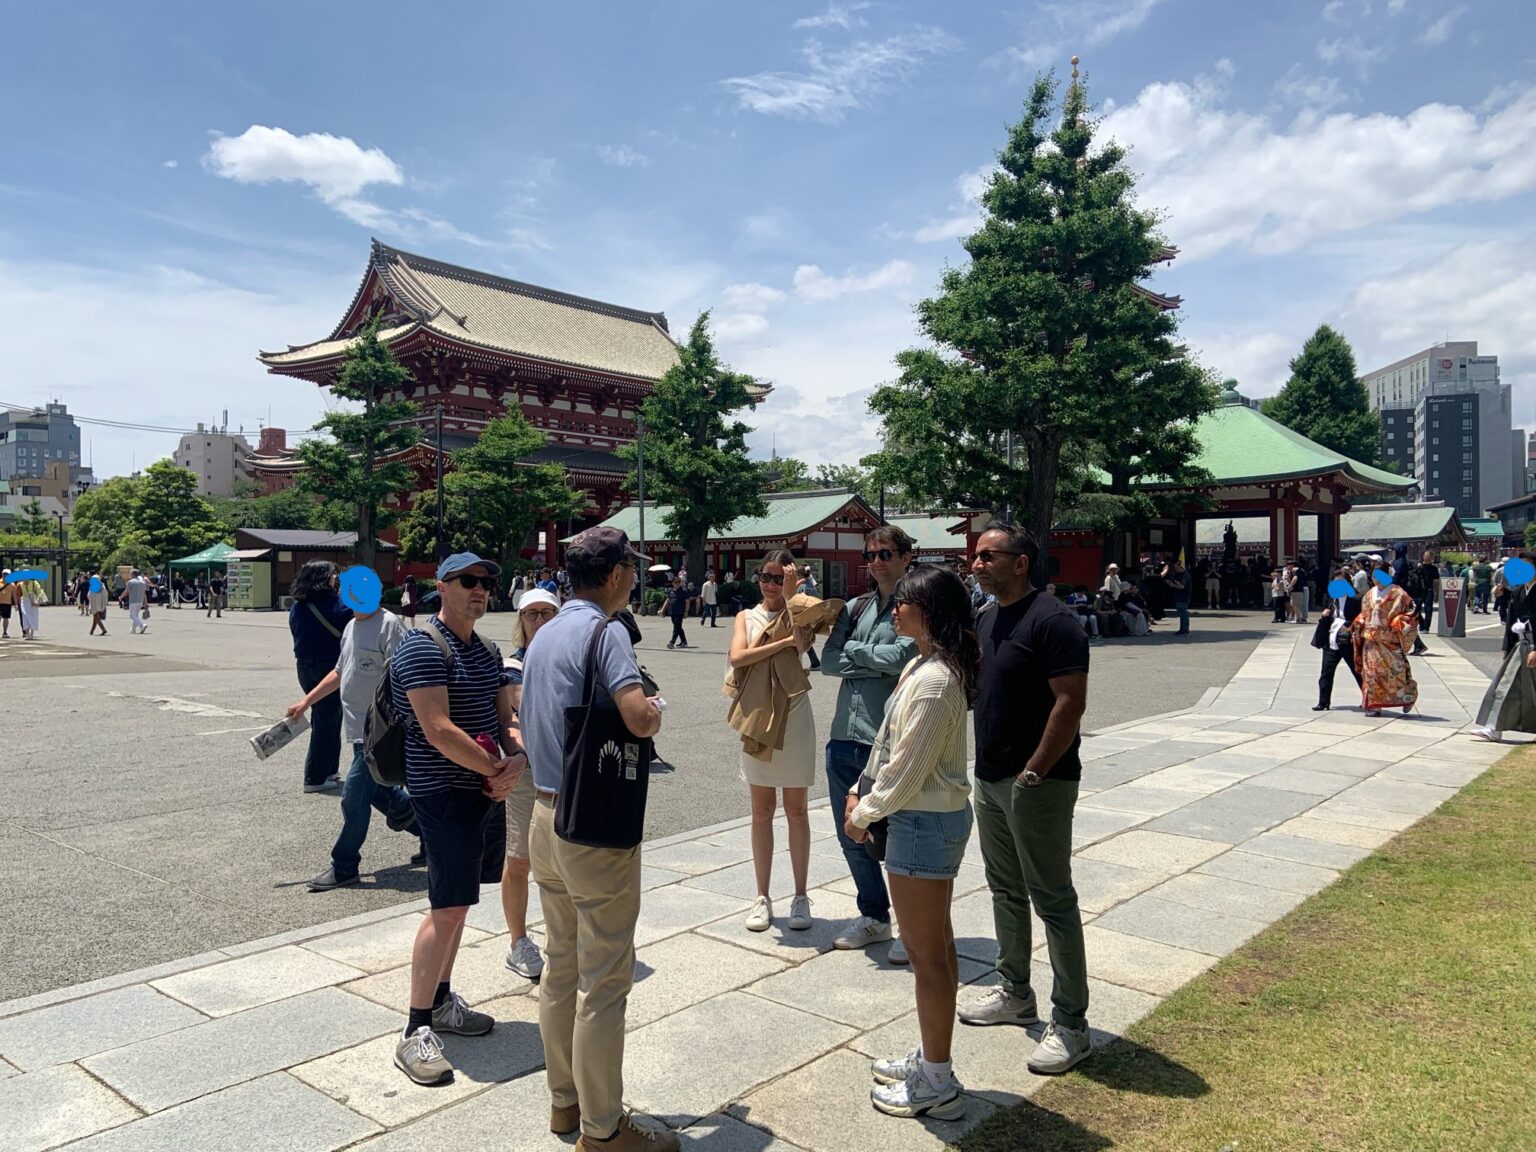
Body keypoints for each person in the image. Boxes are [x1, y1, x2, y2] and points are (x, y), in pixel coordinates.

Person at [521, 526, 676, 1152]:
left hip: (544, 812)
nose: (635, 579)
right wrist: (657, 708)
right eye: (631, 570)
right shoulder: (605, 631)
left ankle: (566, 1102)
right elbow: (637, 716)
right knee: (605, 977)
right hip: (593, 825)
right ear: (614, 574)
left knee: (560, 964)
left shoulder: (545, 630)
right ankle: (603, 1129)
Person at [960, 522, 1093, 1076]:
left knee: (1052, 897)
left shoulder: (1054, 621)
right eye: (974, 556)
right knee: (1004, 889)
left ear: (1021, 562)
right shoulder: (988, 618)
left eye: (988, 555)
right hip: (990, 778)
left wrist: (1035, 772)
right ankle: (1015, 990)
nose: (976, 563)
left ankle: (1071, 1023)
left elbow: (1070, 702)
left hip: (1037, 782)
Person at [845, 565, 977, 1120]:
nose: (893, 609)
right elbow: (886, 744)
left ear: (931, 611)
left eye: (905, 602)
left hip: (924, 820)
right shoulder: (923, 665)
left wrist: (866, 811)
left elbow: (911, 765)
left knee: (926, 957)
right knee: (936, 948)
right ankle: (932, 1059)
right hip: (920, 817)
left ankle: (937, 1080)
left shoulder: (935, 679)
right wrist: (859, 788)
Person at [390, 552, 524, 1087]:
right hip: (443, 792)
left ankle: (443, 1002)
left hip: (485, 790)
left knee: (462, 903)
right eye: (468, 581)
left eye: (486, 582)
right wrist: (496, 768)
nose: (480, 589)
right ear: (441, 587)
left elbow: (505, 717)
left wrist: (514, 758)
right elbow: (436, 728)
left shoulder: (488, 651)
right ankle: (414, 1029)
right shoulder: (421, 647)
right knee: (445, 908)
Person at [821, 525, 918, 957]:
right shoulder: (856, 606)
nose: (876, 562)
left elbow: (904, 656)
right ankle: (875, 916)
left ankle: (915, 927)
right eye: (871, 554)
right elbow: (826, 661)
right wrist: (874, 660)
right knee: (850, 832)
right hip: (845, 734)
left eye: (885, 553)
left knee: (898, 832)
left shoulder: (916, 603)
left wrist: (855, 654)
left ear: (905, 557)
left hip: (889, 737)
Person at [285, 596, 420, 891]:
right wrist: (306, 702)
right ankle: (431, 835)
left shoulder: (389, 625)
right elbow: (339, 672)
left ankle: (345, 865)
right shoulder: (350, 627)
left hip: (381, 731)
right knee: (382, 795)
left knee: (353, 797)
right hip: (358, 730)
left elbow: (407, 674)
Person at [729, 549, 818, 934]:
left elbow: (800, 642)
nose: (769, 584)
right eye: (765, 577)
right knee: (761, 810)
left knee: (796, 809)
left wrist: (795, 595)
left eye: (778, 578)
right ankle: (762, 895)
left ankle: (800, 894)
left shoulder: (801, 611)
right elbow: (738, 657)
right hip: (758, 713)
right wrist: (777, 646)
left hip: (794, 711)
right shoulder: (745, 616)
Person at [499, 589, 559, 981]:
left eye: (547, 613)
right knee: (520, 858)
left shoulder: (568, 658)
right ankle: (518, 940)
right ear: (520, 621)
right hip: (527, 771)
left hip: (565, 770)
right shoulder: (511, 664)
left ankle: (563, 935)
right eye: (532, 615)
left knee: (563, 859)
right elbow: (517, 708)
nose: (539, 621)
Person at [288, 561, 353, 794]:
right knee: (327, 719)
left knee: (327, 716)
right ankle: (314, 776)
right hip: (329, 667)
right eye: (334, 575)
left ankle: (329, 769)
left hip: (304, 667)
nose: (336, 578)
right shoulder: (338, 606)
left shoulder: (297, 607)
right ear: (325, 579)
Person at [1474, 553, 1536, 742]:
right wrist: (1507, 646)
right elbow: (1511, 619)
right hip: (1521, 644)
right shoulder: (1518, 591)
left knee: (1533, 691)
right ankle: (1495, 727)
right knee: (1505, 685)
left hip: (1534, 645)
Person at [1353, 558, 1419, 717]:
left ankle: (1408, 696)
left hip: (1390, 640)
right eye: (1374, 576)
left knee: (1396, 673)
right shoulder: (1370, 593)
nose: (1376, 579)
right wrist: (1359, 621)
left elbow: (1411, 614)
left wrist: (1400, 622)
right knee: (1371, 673)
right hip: (1371, 639)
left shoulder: (1399, 593)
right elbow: (1365, 613)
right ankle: (1373, 704)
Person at [1313, 568, 1363, 711]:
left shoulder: (1357, 599)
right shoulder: (1332, 598)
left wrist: (1350, 626)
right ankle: (1323, 702)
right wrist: (1325, 614)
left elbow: (1362, 619)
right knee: (1326, 672)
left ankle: (1369, 699)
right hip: (1332, 640)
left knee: (1358, 671)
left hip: (1349, 641)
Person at [1408, 549, 1439, 656]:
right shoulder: (1419, 567)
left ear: (1432, 558)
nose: (1427, 558)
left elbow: (1436, 581)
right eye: (1425, 556)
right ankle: (1421, 624)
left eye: (1429, 557)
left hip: (1429, 590)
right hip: (1419, 591)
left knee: (1428, 609)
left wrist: (1436, 593)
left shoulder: (1434, 569)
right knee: (1417, 609)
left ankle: (1426, 627)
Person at [1164, 561, 1190, 635]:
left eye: (1176, 567)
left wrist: (1173, 585)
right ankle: (1182, 629)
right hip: (1178, 596)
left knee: (1183, 613)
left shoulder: (1185, 575)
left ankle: (1185, 630)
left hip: (1183, 597)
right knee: (1181, 613)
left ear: (1180, 567)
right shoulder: (1178, 575)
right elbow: (1176, 582)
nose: (1175, 569)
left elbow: (1182, 586)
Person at [664, 575, 689, 649]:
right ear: (673, 583)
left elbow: (687, 601)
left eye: (679, 582)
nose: (677, 583)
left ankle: (672, 642)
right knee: (678, 627)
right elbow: (668, 600)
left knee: (676, 628)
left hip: (680, 612)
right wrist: (663, 610)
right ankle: (684, 641)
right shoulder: (671, 591)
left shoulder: (683, 591)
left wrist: (686, 611)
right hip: (672, 612)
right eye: (676, 582)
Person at [124, 569, 150, 635]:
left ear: (133, 574)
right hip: (140, 601)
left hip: (133, 601)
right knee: (136, 615)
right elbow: (144, 593)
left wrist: (120, 597)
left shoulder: (131, 582)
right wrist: (145, 602)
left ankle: (142, 625)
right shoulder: (142, 582)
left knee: (132, 615)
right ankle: (133, 630)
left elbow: (126, 591)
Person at [0, 570, 14, 639]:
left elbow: (14, 594)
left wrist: (17, 604)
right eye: (4, 574)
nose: (5, 575)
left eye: (6, 574)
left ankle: (5, 632)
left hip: (7, 603)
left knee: (6, 618)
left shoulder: (12, 584)